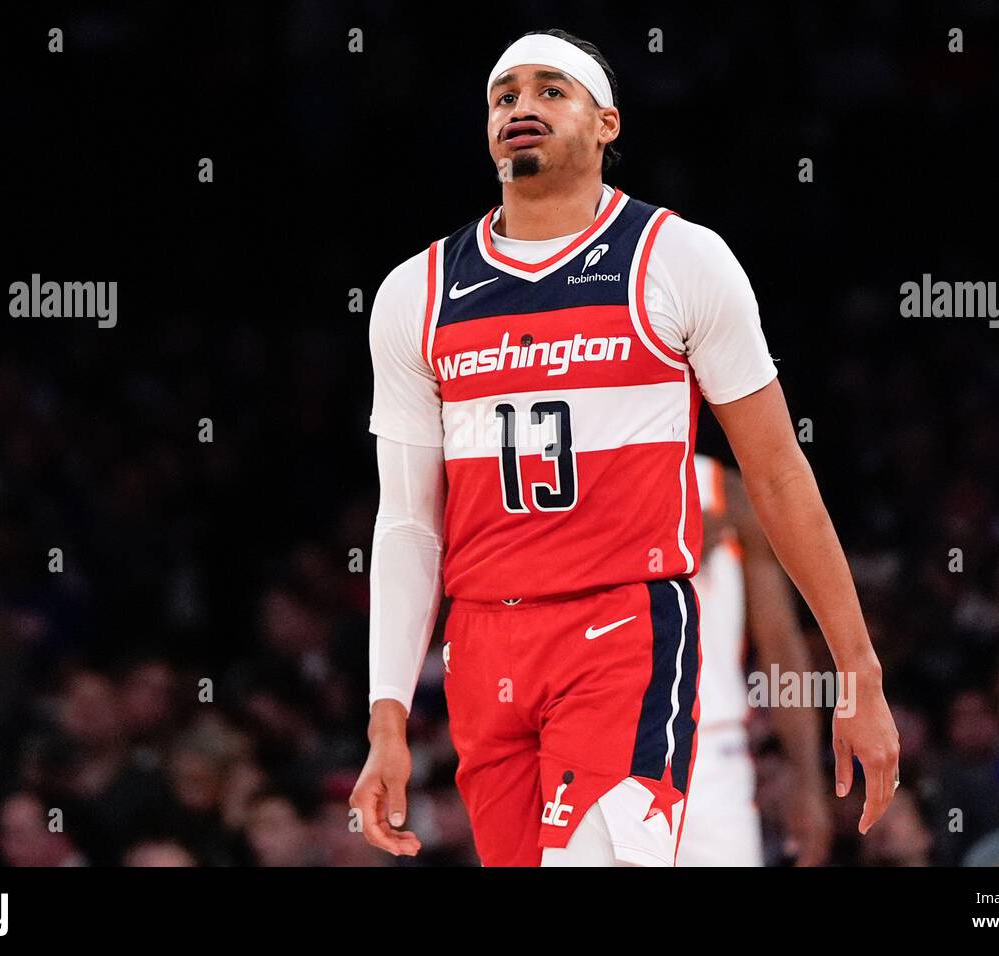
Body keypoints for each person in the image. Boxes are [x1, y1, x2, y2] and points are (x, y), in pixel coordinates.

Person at [353, 28, 898, 867]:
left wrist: (857, 668)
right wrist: (386, 714)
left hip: (625, 623)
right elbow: (407, 526)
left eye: (549, 90)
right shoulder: (414, 292)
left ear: (607, 123)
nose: (521, 108)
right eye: (505, 96)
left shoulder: (679, 258)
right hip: (485, 645)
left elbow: (779, 472)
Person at [676, 455, 831, 866]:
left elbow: (781, 649)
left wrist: (807, 781)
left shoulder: (726, 490)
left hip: (711, 754)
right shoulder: (571, 481)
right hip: (599, 750)